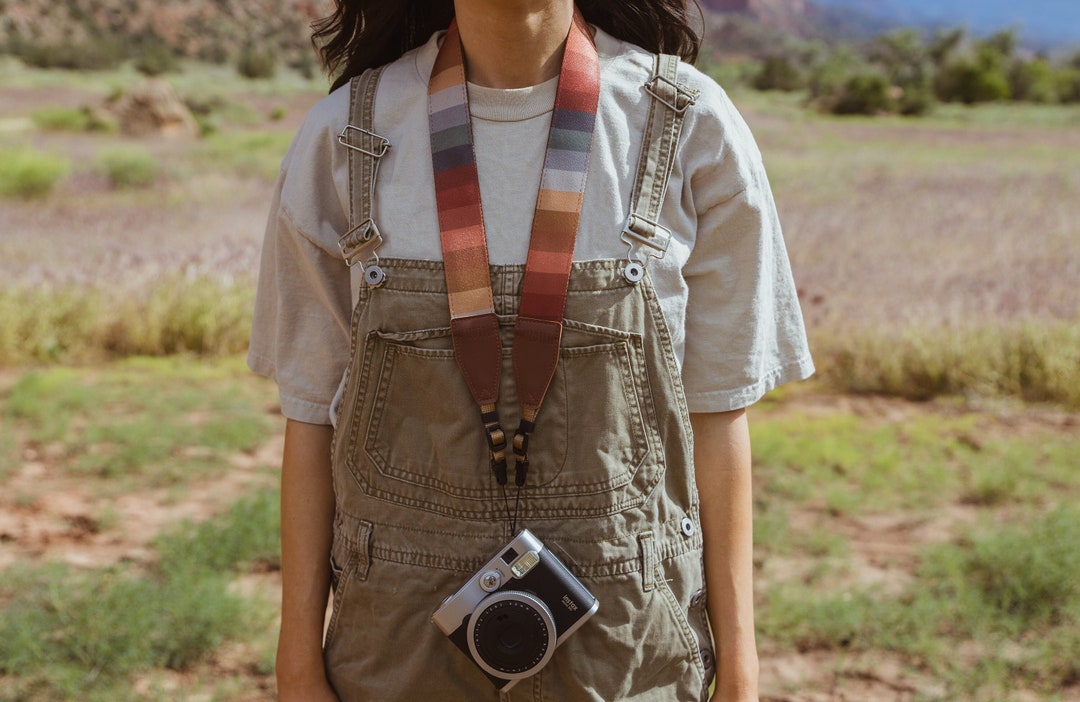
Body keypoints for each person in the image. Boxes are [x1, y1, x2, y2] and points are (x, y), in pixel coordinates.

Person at [248, 1, 814, 700]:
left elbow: (718, 415)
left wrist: (742, 674)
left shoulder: (689, 122)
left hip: (630, 659)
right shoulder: (345, 134)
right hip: (397, 652)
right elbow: (311, 418)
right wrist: (298, 668)